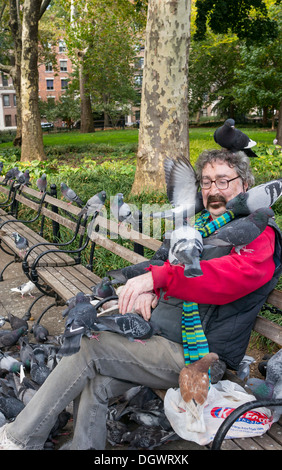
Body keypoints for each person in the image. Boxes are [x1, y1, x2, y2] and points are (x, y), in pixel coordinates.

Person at [0, 149, 281, 450]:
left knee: (88, 347)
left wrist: (157, 280)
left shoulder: (260, 236)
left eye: (223, 181)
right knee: (94, 379)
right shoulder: (202, 225)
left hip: (198, 357)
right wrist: (151, 289)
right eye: (207, 182)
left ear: (246, 185)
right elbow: (168, 266)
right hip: (164, 336)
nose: (213, 190)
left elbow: (222, 279)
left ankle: (18, 439)